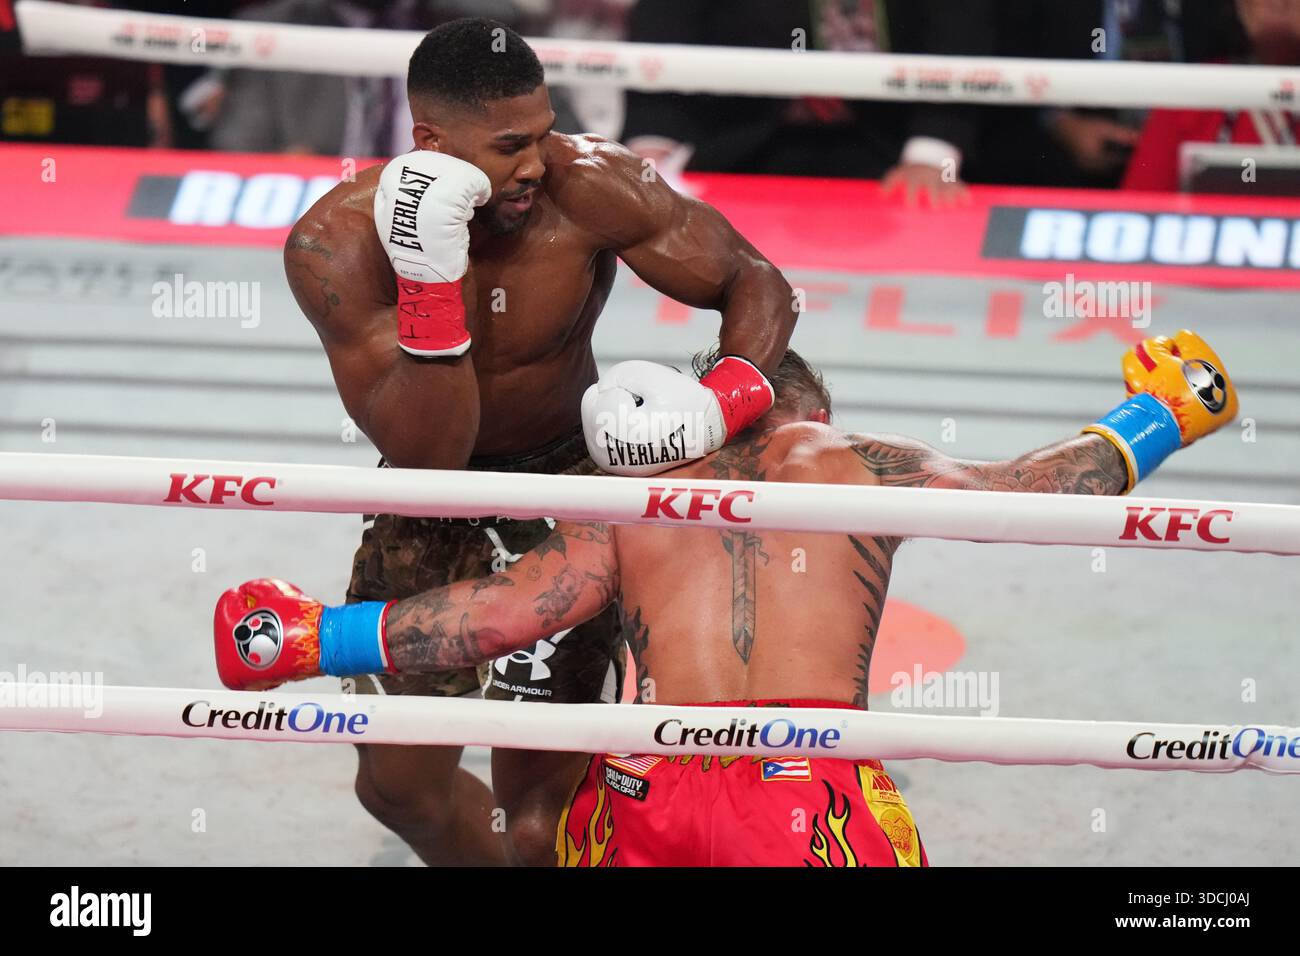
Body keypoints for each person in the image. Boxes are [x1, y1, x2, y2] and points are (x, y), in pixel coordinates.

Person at [217, 329, 1239, 866]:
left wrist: (311, 635)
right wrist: (1161, 412)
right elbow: (1042, 490)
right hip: (811, 792)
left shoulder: (640, 486)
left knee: (544, 791)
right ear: (818, 411)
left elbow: (504, 614)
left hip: (647, 783)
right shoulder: (850, 461)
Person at [282, 17, 797, 866]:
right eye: (511, 144)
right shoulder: (336, 245)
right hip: (427, 495)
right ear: (431, 143)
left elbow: (755, 279)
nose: (534, 164)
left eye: (545, 132)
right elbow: (430, 456)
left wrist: (722, 401)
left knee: (539, 813)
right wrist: (430, 284)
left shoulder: (590, 184)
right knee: (398, 790)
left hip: (568, 493)